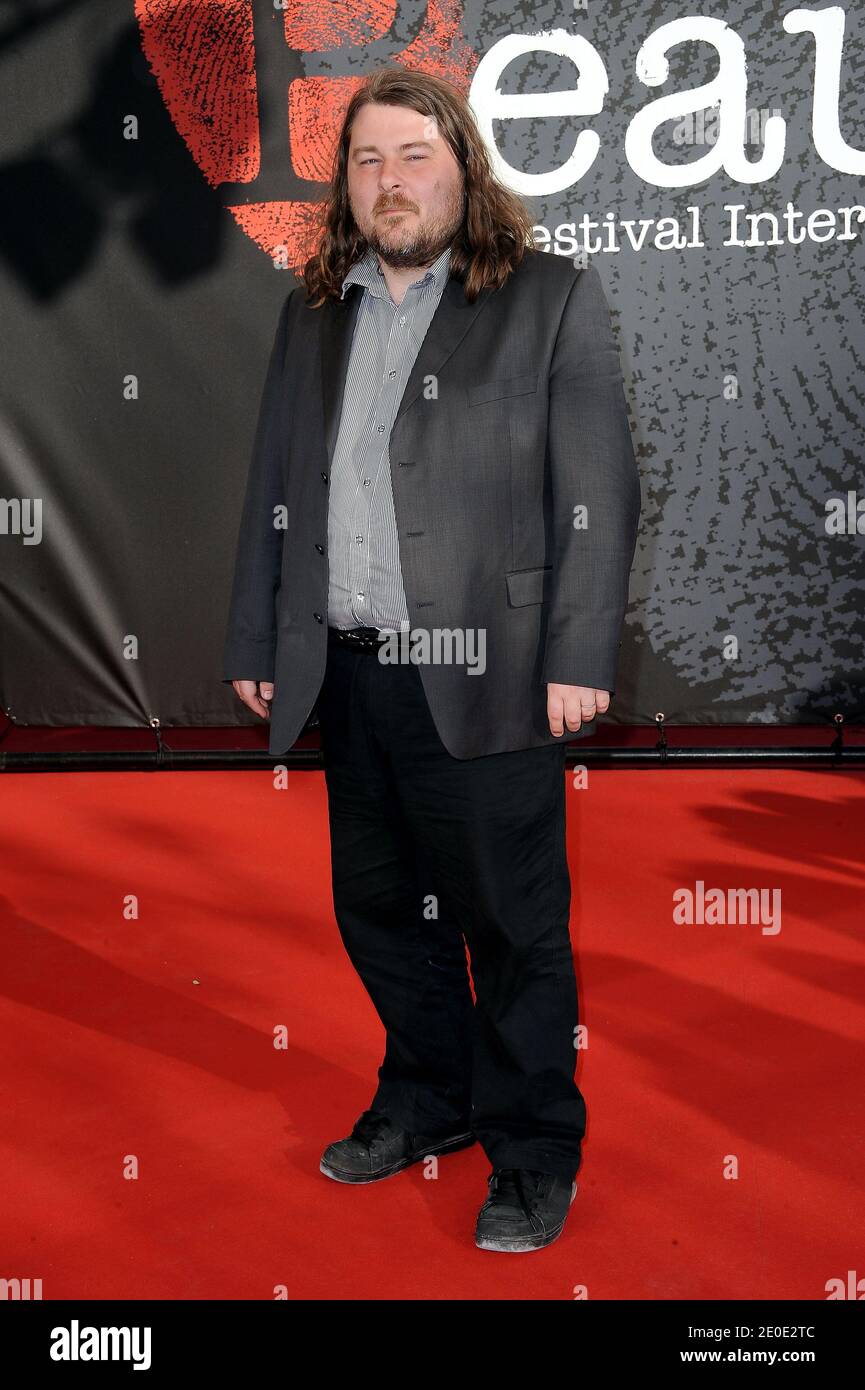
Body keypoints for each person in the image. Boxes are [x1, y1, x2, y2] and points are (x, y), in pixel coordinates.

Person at [223, 65, 641, 1253]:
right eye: (365, 160)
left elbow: (598, 497)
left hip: (496, 672)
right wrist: (258, 631)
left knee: (511, 926)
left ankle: (531, 1149)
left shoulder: (548, 296)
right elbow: (274, 486)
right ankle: (428, 1099)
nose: (388, 180)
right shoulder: (312, 309)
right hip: (348, 670)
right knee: (379, 915)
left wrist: (577, 652)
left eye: (413, 155)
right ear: (344, 184)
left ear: (463, 167)